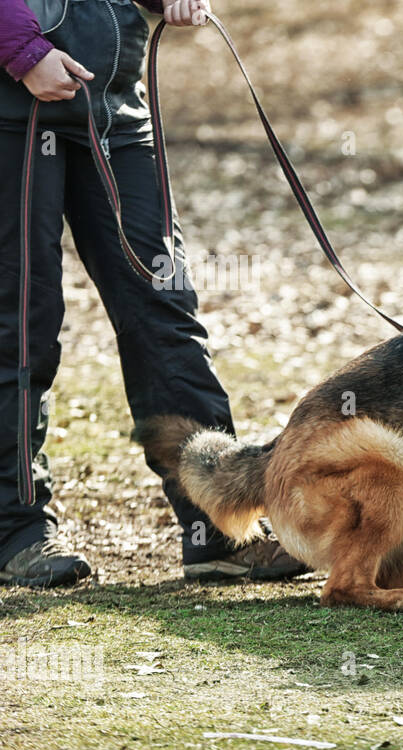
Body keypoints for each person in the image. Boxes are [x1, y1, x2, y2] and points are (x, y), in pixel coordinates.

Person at [0, 0, 307, 585]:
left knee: (164, 310)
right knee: (20, 323)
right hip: (15, 107)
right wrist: (22, 51)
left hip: (114, 106)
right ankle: (16, 530)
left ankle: (216, 527)